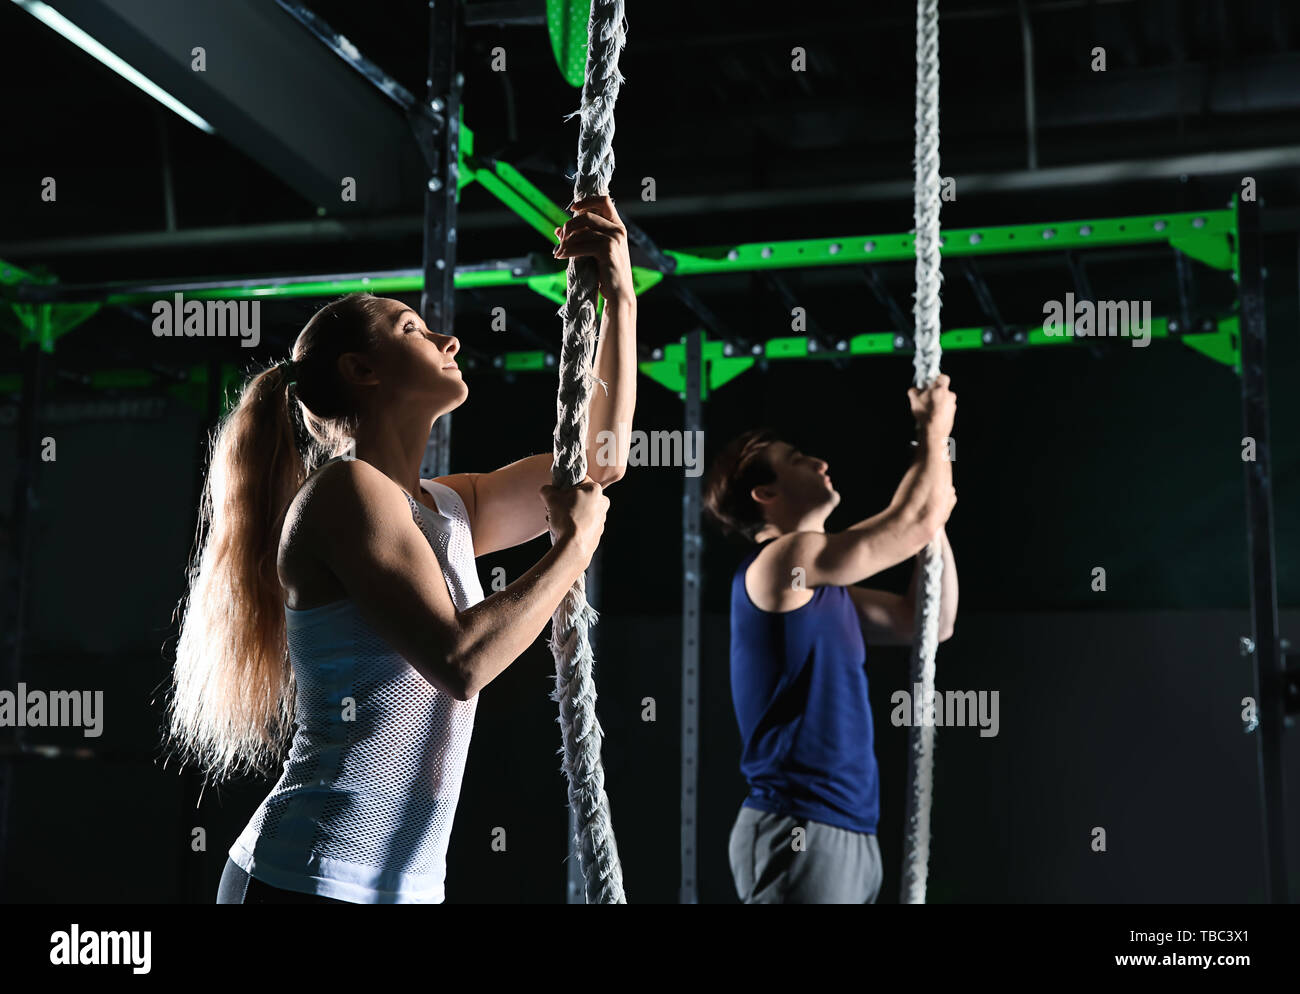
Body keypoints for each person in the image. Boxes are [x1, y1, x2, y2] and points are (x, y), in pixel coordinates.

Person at [164, 196, 637, 904]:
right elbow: (460, 661)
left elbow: (598, 461)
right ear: (364, 371)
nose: (447, 340)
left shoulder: (449, 506)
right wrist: (573, 549)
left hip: (399, 887)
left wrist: (619, 297)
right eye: (413, 328)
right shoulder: (344, 494)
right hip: (308, 877)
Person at [703, 375, 960, 904]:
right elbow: (910, 521)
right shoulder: (779, 563)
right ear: (765, 494)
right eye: (797, 458)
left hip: (848, 830)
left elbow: (930, 622)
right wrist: (931, 436)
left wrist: (934, 518)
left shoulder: (822, 590)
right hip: (799, 827)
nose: (820, 463)